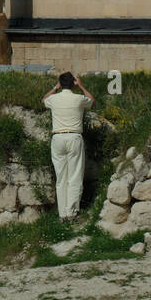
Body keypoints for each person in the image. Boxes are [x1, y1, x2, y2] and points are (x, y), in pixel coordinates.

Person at [42, 70, 95, 221]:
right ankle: (72, 212)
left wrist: (55, 87)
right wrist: (82, 87)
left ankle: (62, 214)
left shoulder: (54, 99)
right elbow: (92, 100)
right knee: (74, 176)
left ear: (61, 84)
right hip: (74, 137)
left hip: (57, 138)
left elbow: (43, 100)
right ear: (73, 83)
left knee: (61, 178)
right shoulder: (78, 98)